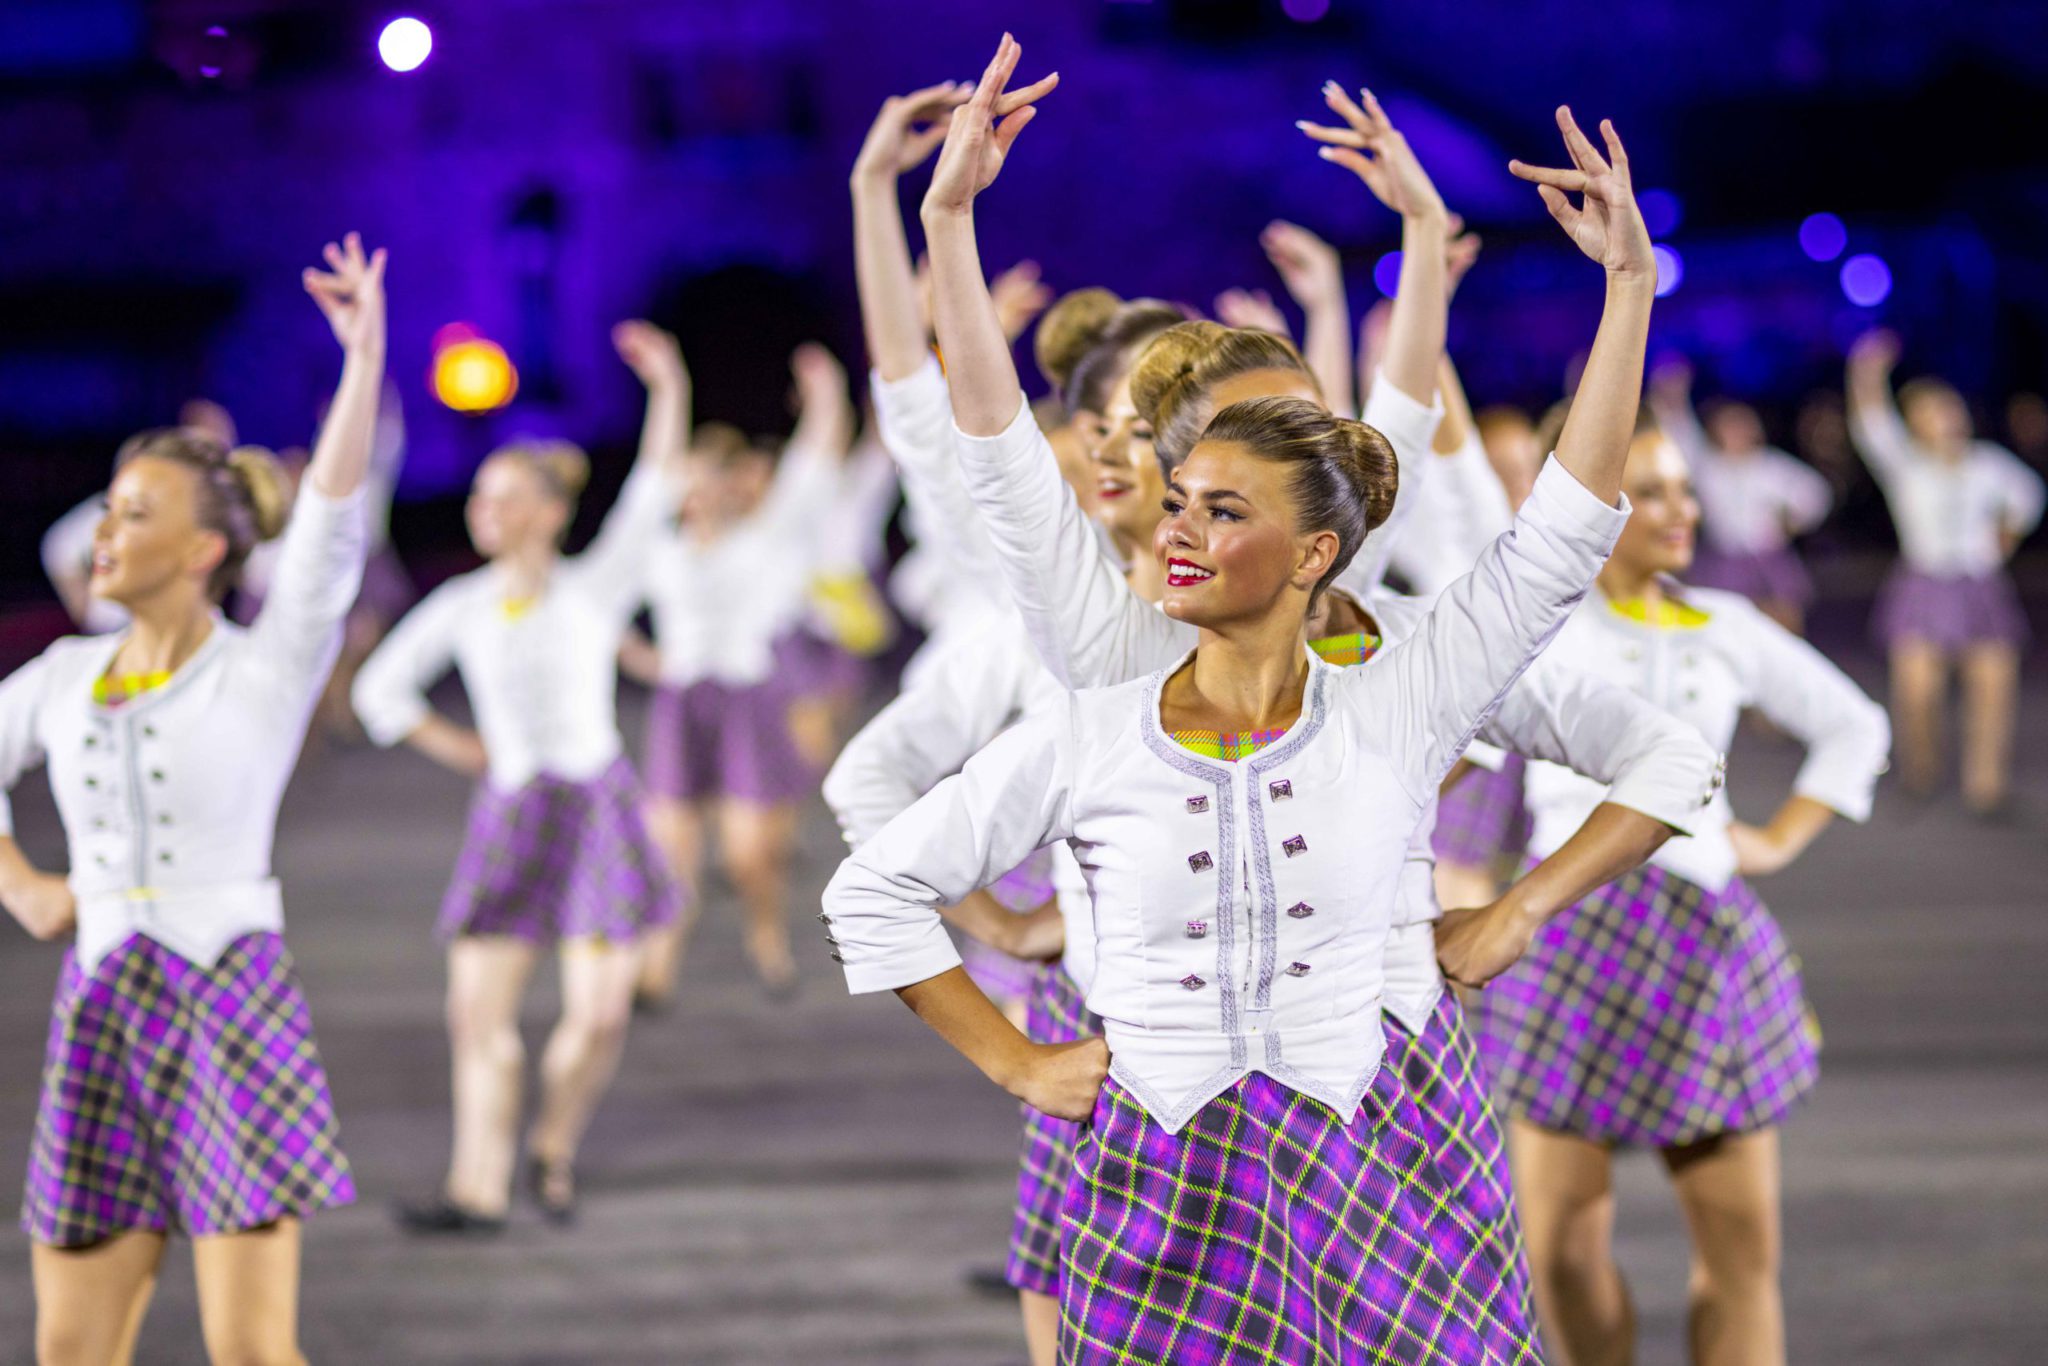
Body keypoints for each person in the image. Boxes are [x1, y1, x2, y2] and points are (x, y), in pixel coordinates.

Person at [826, 36, 1658, 1361]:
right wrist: (944, 219)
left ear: (1317, 550)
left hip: (1386, 1122)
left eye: (1224, 509)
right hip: (1159, 1132)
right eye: (1177, 501)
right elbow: (981, 449)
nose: (1178, 529)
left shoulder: (1404, 676)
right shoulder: (1099, 664)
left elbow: (1562, 526)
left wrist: (1628, 286)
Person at [0, 234, 385, 1365]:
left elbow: (328, 534)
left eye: (132, 512)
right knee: (72, 1353)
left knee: (253, 1355)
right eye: (107, 512)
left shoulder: (266, 665)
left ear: (207, 545)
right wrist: (20, 881)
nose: (102, 534)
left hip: (230, 994)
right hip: (101, 999)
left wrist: (362, 360)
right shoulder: (63, 677)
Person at [1472, 421, 1890, 1366]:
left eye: (1683, 490)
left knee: (1740, 1258)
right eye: (1649, 492)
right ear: (1591, 505)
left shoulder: (1725, 626)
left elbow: (1854, 726)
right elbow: (1445, 750)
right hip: (1567, 937)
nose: (1680, 510)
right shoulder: (1532, 627)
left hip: (1703, 938)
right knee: (1561, 1254)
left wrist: (1779, 837)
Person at [353, 321, 688, 1231]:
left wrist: (667, 385)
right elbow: (382, 688)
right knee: (479, 1017)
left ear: (547, 511)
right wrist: (465, 749)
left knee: (602, 1018)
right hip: (514, 812)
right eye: (479, 498)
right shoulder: (460, 605)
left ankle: (554, 1145)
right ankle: (477, 1186)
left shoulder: (593, 586)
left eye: (504, 498)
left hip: (597, 808)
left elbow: (654, 491)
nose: (484, 512)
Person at [632, 345, 855, 1001]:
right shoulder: (662, 551)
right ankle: (659, 966)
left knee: (747, 855)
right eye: (690, 487)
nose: (699, 498)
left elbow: (813, 471)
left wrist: (825, 394)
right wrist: (668, 383)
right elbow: (646, 486)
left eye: (711, 484)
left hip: (746, 700)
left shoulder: (765, 541)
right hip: (682, 701)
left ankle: (767, 937)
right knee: (671, 850)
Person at [1846, 329, 2043, 814]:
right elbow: (1870, 423)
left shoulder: (1988, 464)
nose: (1943, 419)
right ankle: (1921, 768)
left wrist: (2008, 532)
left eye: (1948, 409)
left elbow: (2029, 494)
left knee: (1993, 682)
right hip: (1925, 583)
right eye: (1930, 412)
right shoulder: (1906, 463)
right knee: (1918, 689)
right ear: (1914, 424)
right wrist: (1866, 372)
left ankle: (1986, 785)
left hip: (1979, 584)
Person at [1647, 361, 1832, 634]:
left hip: (1769, 557)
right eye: (1728, 427)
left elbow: (1814, 493)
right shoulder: (1709, 466)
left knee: (1784, 625)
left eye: (1741, 427)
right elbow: (1681, 433)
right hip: (1726, 560)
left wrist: (1793, 520)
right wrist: (1672, 394)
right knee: (1728, 626)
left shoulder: (1769, 465)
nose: (1735, 434)